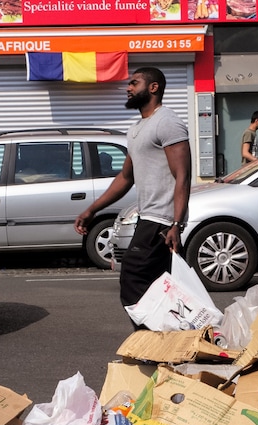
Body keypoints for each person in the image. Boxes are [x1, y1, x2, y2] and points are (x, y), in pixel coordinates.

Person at [74, 67, 191, 324]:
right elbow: (126, 177)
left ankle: (150, 339)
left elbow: (182, 175)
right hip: (147, 217)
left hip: (160, 221)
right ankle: (164, 341)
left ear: (153, 87)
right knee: (156, 285)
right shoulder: (138, 128)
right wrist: (91, 210)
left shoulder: (167, 122)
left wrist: (176, 224)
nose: (128, 88)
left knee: (133, 279)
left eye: (133, 83)